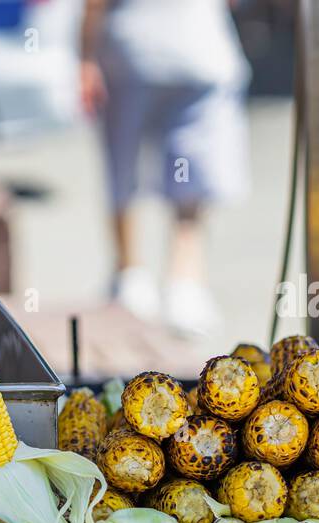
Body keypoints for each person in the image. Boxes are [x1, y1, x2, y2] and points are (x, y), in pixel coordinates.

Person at [80, 0, 251, 338]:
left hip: (134, 49)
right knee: (191, 174)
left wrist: (84, 56)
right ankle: (183, 283)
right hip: (198, 47)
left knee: (123, 167)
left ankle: (131, 276)